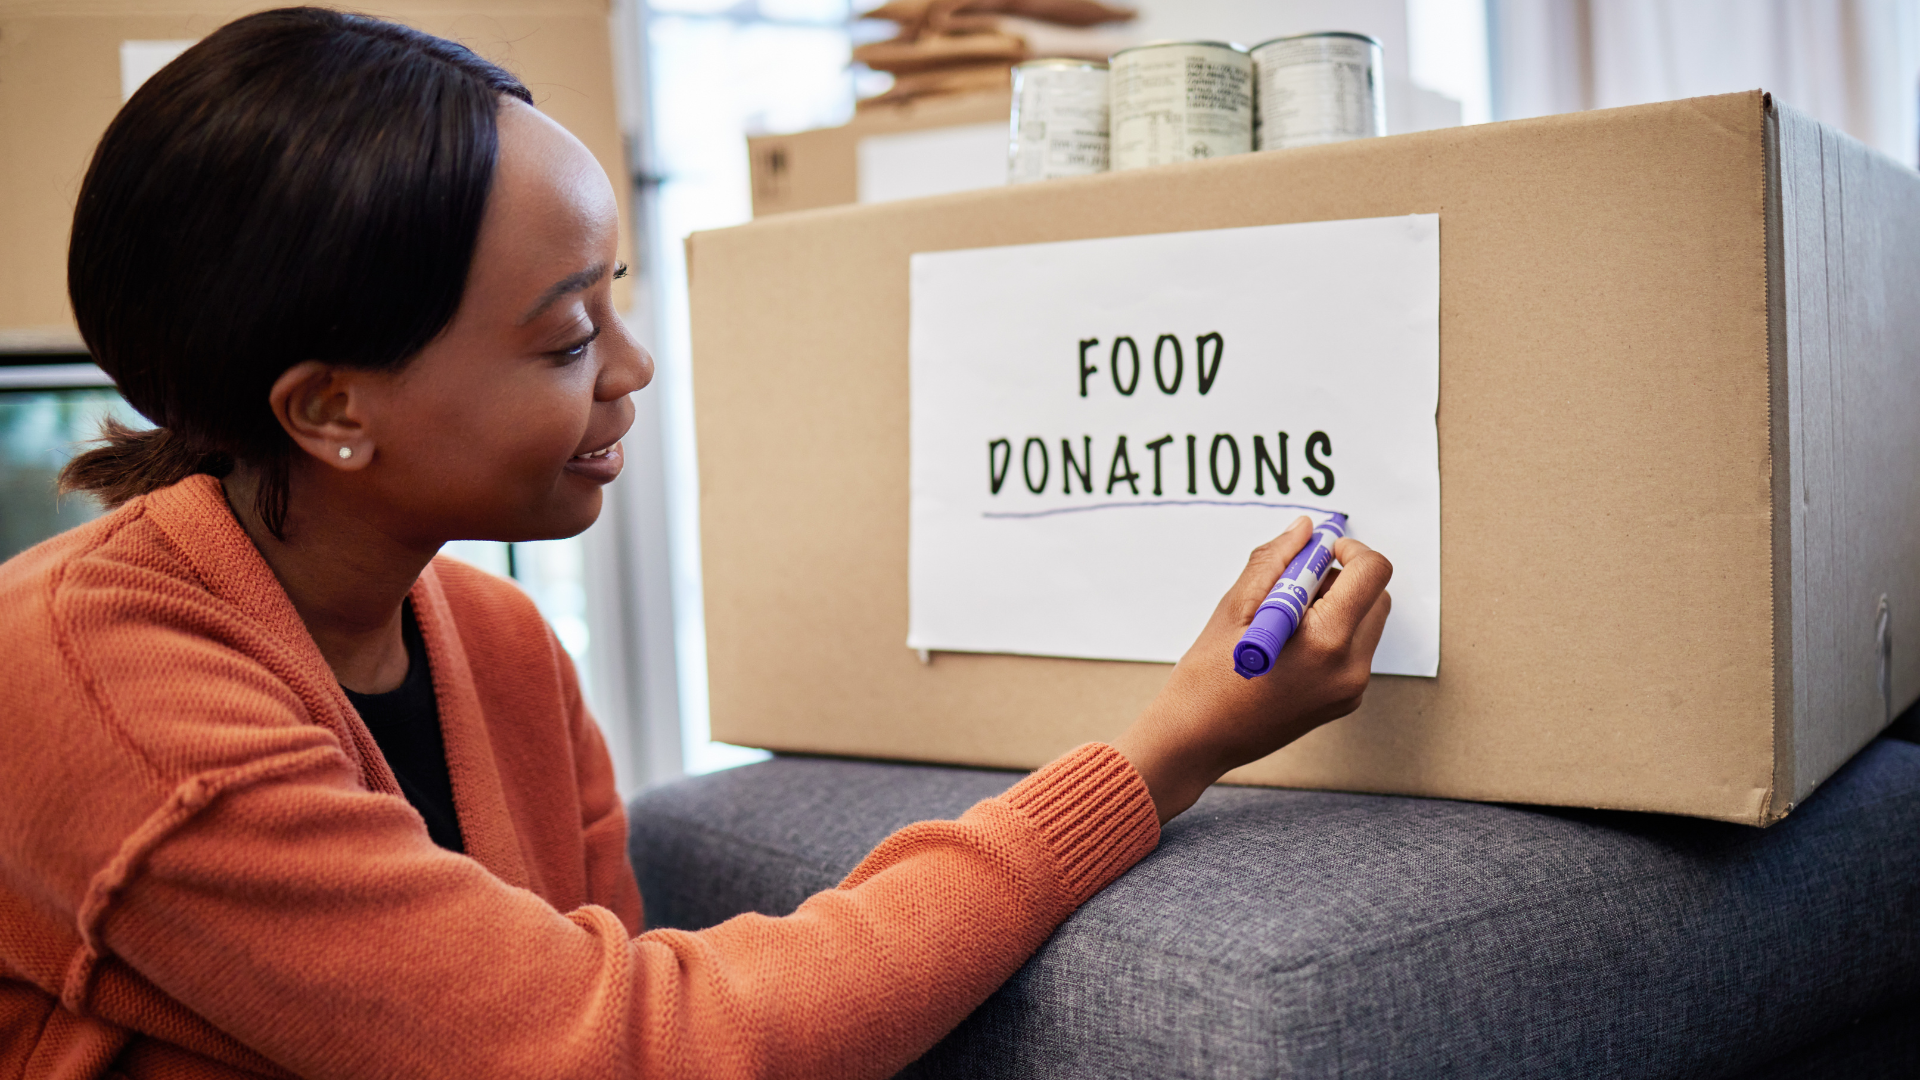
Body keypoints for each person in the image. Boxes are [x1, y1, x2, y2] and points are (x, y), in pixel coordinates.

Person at [0, 8, 1392, 1077]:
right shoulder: (104, 698)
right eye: (562, 338)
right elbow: (633, 1046)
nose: (632, 365)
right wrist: (1165, 753)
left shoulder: (499, 645)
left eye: (612, 300)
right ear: (329, 411)